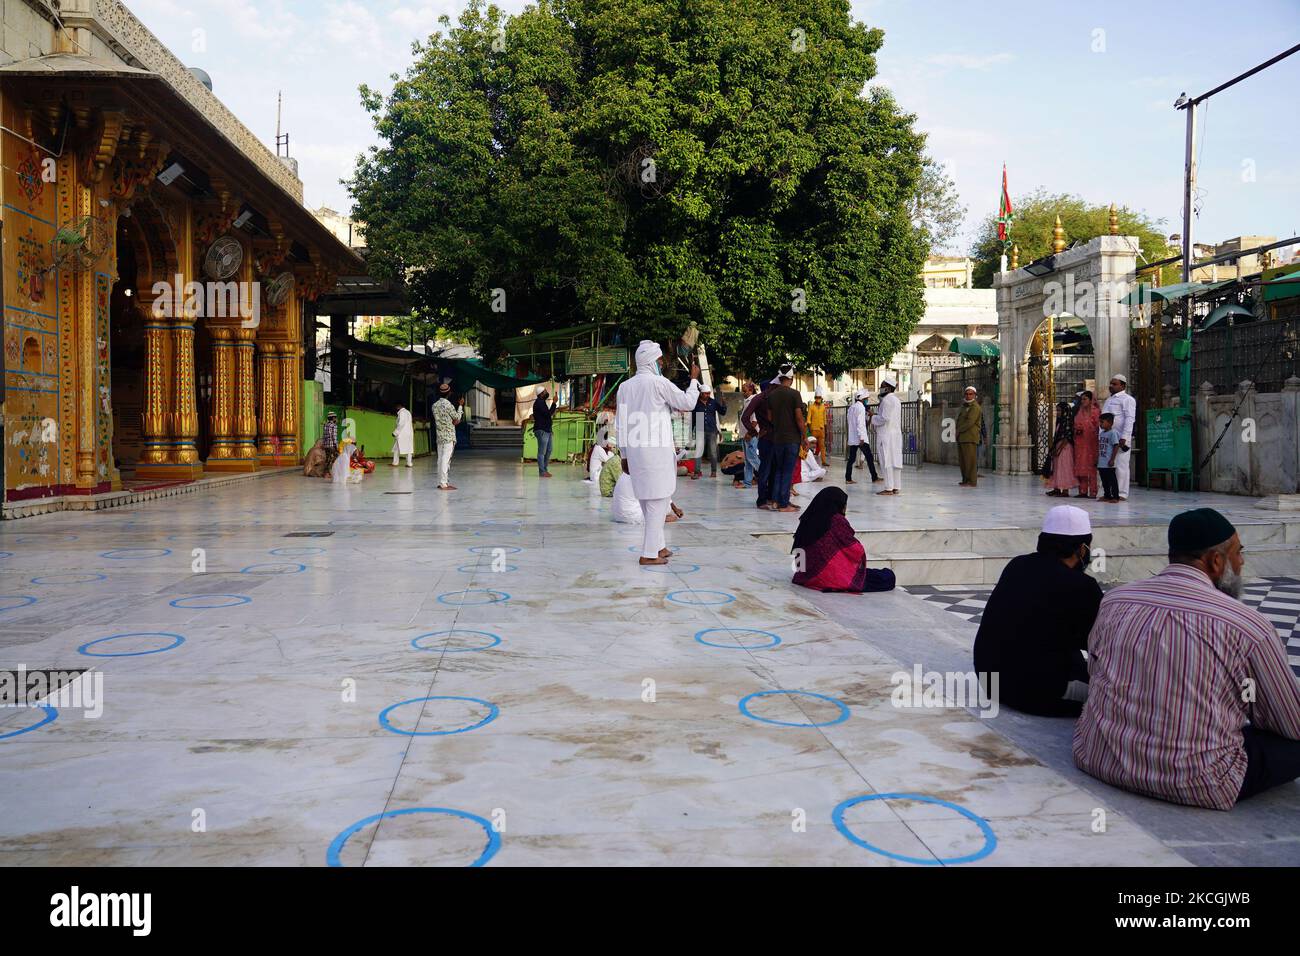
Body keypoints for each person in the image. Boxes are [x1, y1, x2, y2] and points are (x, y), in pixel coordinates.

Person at [1074, 508, 1300, 810]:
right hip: (1198, 781)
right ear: (1216, 561)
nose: (1242, 562)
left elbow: (1096, 672)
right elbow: (1290, 723)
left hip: (1098, 757)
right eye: (1238, 553)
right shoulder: (1248, 627)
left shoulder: (1115, 601)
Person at [973, 506, 1103, 717]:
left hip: (991, 682)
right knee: (1119, 692)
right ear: (1082, 549)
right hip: (1036, 692)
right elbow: (1099, 645)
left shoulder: (1017, 565)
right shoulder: (1083, 585)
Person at [615, 341, 701, 565]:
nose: (662, 363)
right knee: (658, 500)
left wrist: (623, 454)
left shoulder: (625, 387)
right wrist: (693, 379)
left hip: (635, 451)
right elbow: (688, 402)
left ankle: (660, 547)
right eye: (660, 360)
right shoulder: (659, 383)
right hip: (656, 452)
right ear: (652, 361)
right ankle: (649, 554)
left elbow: (620, 423)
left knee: (647, 498)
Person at [791, 487, 895, 593]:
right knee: (888, 578)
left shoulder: (807, 518)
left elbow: (799, 552)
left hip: (804, 575)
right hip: (829, 576)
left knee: (877, 575)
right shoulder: (836, 520)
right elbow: (855, 549)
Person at [760, 367, 806, 513]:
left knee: (779, 470)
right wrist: (804, 435)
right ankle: (784, 504)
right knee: (787, 471)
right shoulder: (794, 394)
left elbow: (770, 417)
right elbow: (799, 418)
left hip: (777, 438)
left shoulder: (771, 396)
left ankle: (775, 500)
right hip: (791, 438)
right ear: (791, 379)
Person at [741, 379, 777, 508]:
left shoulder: (759, 399)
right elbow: (747, 418)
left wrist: (753, 432)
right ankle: (763, 499)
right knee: (764, 468)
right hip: (767, 438)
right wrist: (753, 432)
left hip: (765, 437)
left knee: (766, 468)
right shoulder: (761, 400)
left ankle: (767, 497)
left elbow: (747, 418)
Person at [1102, 373, 1137, 500]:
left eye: (1114, 384)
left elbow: (1129, 419)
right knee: (1107, 466)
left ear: (1123, 385)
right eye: (1111, 383)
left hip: (1120, 438)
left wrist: (1125, 437)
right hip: (1108, 437)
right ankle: (1109, 493)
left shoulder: (1128, 400)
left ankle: (1122, 493)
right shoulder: (1109, 400)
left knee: (1121, 466)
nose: (1111, 386)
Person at [872, 377, 904, 495]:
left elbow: (884, 418)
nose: (880, 388)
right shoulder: (896, 400)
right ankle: (896, 486)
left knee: (886, 461)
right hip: (895, 435)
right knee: (895, 461)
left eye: (882, 386)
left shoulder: (886, 400)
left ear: (888, 388)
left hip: (886, 435)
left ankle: (888, 488)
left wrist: (873, 417)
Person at [612, 472, 683, 525]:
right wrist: (674, 509)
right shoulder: (643, 473)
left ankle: (657, 517)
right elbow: (660, 493)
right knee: (666, 507)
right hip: (633, 516)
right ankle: (659, 519)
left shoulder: (627, 472)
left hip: (618, 515)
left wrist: (675, 508)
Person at [844, 390, 880, 484]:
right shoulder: (860, 408)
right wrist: (861, 437)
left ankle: (848, 478)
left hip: (853, 437)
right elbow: (860, 423)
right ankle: (874, 477)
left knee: (851, 459)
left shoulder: (851, 408)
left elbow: (852, 423)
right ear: (863, 399)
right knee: (869, 457)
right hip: (861, 438)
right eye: (866, 399)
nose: (867, 400)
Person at [433, 383, 463, 491]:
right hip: (449, 436)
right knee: (446, 460)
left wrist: (453, 421)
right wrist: (460, 406)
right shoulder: (449, 405)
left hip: (440, 436)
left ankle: (440, 482)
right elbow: (457, 418)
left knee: (440, 459)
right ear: (449, 393)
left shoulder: (434, 405)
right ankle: (444, 484)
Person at [693, 387, 727, 478]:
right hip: (700, 428)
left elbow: (723, 412)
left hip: (712, 429)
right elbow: (693, 418)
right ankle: (696, 472)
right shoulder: (696, 403)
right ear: (701, 393)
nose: (707, 395)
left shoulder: (713, 402)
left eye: (708, 393)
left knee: (713, 451)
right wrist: (692, 431)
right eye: (705, 393)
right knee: (699, 451)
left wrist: (724, 403)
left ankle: (714, 471)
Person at [1073, 390, 1100, 499]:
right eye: (1082, 399)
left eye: (1085, 399)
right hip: (1080, 443)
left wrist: (1087, 427)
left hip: (1092, 443)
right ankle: (1082, 491)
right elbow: (1075, 424)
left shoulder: (1096, 411)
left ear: (1091, 400)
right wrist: (1078, 429)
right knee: (1081, 466)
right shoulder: (1080, 411)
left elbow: (1098, 426)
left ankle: (1093, 492)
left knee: (1091, 467)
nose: (1082, 401)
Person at [1046, 401, 1077, 497]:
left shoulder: (1067, 422)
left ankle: (1065, 490)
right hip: (1058, 446)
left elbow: (1067, 437)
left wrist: (1059, 449)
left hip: (1065, 448)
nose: (1057, 412)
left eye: (1059, 410)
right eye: (1057, 410)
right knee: (1056, 467)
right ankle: (1056, 488)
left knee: (1064, 468)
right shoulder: (1060, 421)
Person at [957, 386, 982, 488]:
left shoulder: (975, 407)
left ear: (975, 395)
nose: (968, 396)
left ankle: (972, 481)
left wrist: (959, 430)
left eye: (971, 394)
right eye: (967, 394)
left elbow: (970, 422)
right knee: (963, 461)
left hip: (970, 437)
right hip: (962, 437)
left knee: (970, 461)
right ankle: (965, 479)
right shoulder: (964, 406)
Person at [738, 381, 762, 489]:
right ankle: (747, 483)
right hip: (745, 435)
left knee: (752, 458)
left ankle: (766, 477)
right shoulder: (747, 401)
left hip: (750, 435)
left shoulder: (753, 400)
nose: (743, 393)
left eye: (744, 390)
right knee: (747, 460)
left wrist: (749, 433)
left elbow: (754, 420)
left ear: (751, 390)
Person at [533, 387, 559, 478]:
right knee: (542, 452)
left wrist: (550, 430)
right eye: (545, 392)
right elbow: (548, 414)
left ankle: (544, 469)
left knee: (549, 450)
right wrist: (554, 403)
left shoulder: (542, 402)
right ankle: (542, 472)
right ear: (541, 394)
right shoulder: (539, 403)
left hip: (546, 430)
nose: (546, 393)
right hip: (542, 430)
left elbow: (546, 417)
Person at [1097, 412, 1121, 503]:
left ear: (1110, 423)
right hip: (1102, 462)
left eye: (1102, 422)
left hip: (1109, 463)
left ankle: (1115, 496)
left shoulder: (1113, 433)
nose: (1100, 424)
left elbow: (1116, 446)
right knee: (1104, 481)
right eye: (1100, 422)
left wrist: (1112, 459)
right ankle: (1107, 495)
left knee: (1112, 481)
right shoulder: (1102, 433)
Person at [807, 388, 829, 465]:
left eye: (819, 397)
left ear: (821, 398)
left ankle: (823, 461)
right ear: (815, 398)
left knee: (822, 446)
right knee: (812, 447)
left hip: (821, 429)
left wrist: (826, 429)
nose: (818, 399)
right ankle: (811, 462)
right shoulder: (811, 407)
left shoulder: (823, 407)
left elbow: (825, 419)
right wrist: (810, 429)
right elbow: (808, 419)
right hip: (814, 429)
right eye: (817, 398)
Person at [391, 403, 414, 468]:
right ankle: (409, 463)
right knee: (408, 448)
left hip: (402, 434)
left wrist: (395, 432)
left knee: (398, 447)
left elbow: (401, 424)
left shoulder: (402, 413)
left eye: (396, 407)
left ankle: (395, 463)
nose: (396, 408)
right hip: (409, 433)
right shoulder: (408, 412)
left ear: (399, 406)